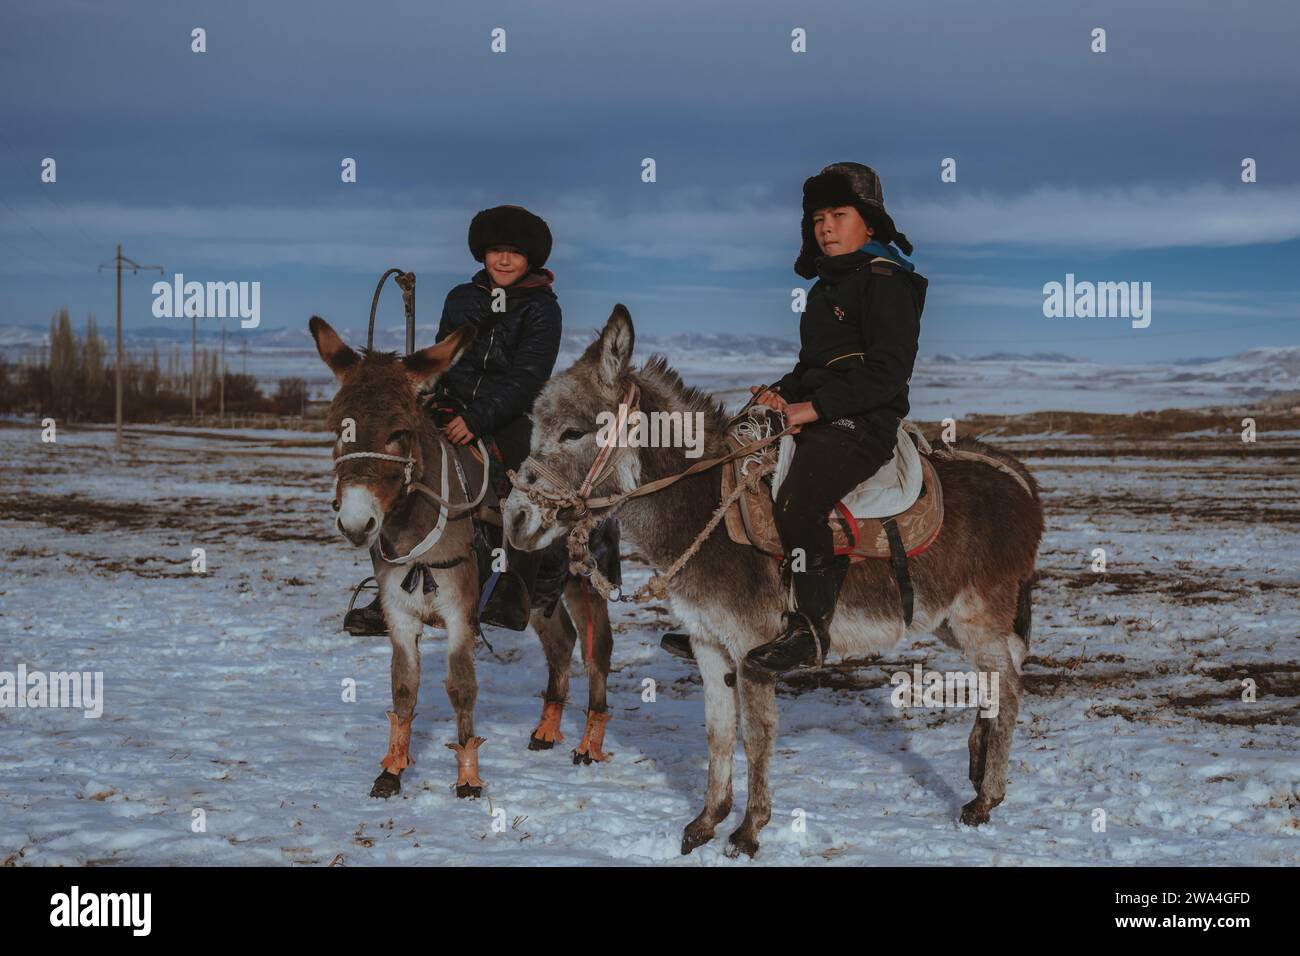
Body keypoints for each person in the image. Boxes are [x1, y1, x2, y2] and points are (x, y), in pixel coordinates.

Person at [743, 162, 928, 673]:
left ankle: (809, 632)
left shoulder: (886, 282)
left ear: (869, 223)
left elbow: (887, 373)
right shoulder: (826, 290)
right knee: (735, 475)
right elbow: (812, 367)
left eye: (838, 215)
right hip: (824, 417)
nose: (825, 227)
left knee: (798, 502)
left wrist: (811, 409)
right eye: (818, 218)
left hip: (864, 425)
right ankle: (743, 614)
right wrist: (779, 395)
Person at [344, 204, 562, 635]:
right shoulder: (462, 299)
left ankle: (511, 587)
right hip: (450, 406)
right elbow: (447, 359)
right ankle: (390, 586)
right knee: (399, 471)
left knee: (526, 492)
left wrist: (478, 419)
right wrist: (425, 396)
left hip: (510, 417)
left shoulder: (542, 309)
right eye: (496, 250)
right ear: (482, 254)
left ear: (530, 259)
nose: (503, 260)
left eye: (514, 253)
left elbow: (527, 377)